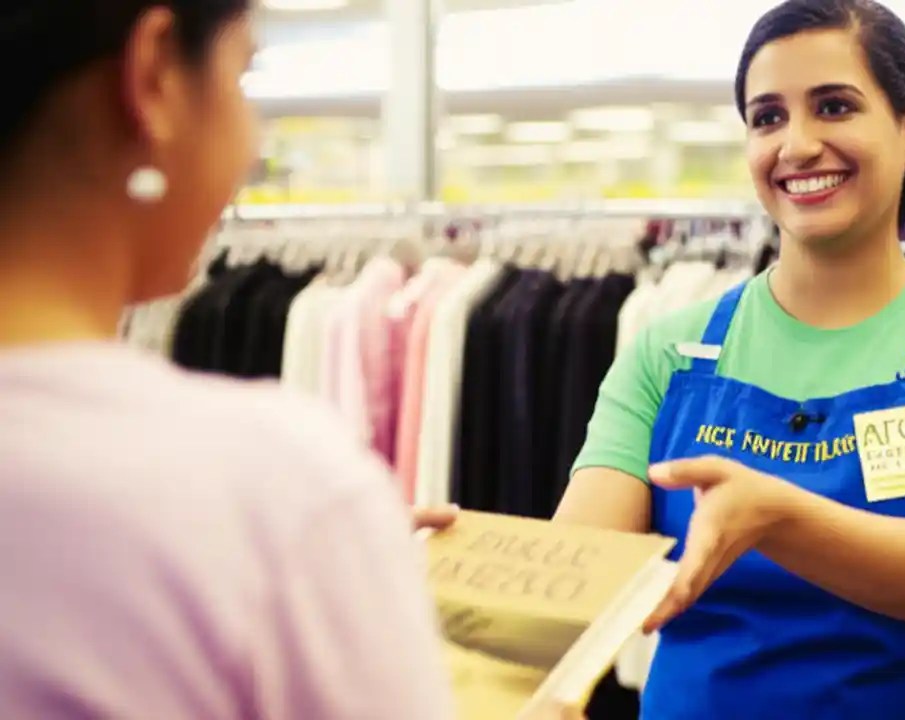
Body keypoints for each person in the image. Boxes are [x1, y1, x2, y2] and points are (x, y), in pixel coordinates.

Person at [0, 2, 580, 718]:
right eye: (245, 74)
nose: (252, 144)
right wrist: (316, 553)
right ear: (153, 77)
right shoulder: (270, 489)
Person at [554, 1, 905, 718]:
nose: (795, 145)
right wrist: (457, 570)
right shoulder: (666, 349)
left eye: (833, 106)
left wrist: (773, 517)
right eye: (767, 117)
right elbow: (578, 572)